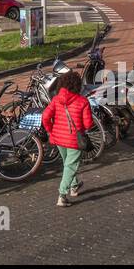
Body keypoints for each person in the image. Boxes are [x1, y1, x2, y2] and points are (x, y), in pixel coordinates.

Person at [41, 69, 94, 206]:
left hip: (58, 138)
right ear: (77, 85)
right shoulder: (83, 101)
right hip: (74, 140)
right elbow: (88, 124)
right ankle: (62, 195)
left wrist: (50, 131)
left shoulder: (56, 99)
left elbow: (45, 117)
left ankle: (74, 185)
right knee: (70, 166)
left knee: (68, 164)